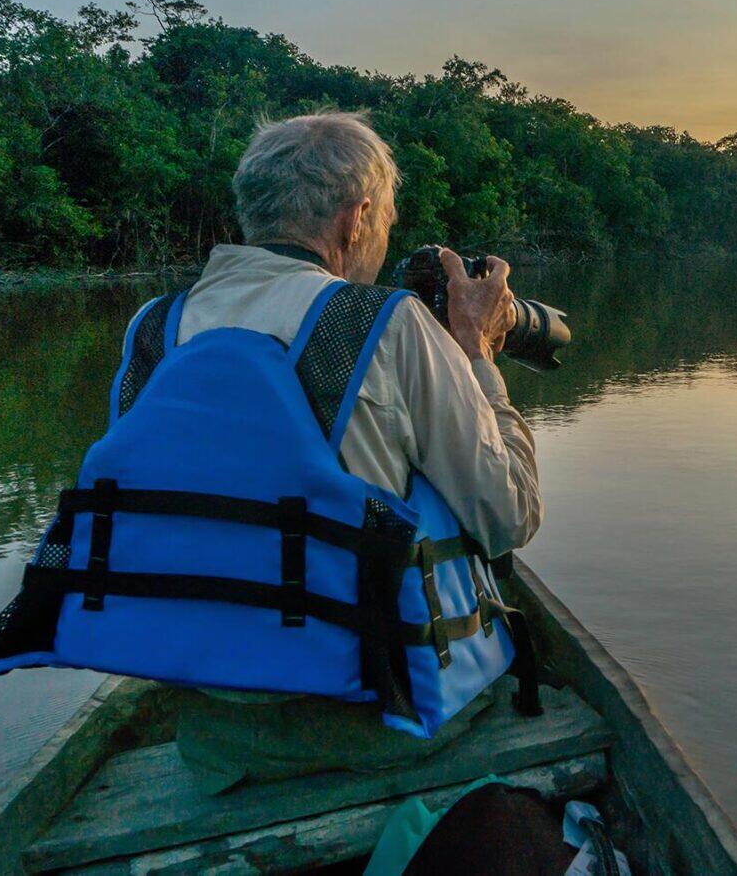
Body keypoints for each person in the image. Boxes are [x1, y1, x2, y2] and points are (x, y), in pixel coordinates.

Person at [165, 111, 544, 791]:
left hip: (211, 734)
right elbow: (508, 514)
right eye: (385, 220)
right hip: (382, 724)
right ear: (356, 219)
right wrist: (477, 356)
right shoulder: (385, 323)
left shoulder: (154, 330)